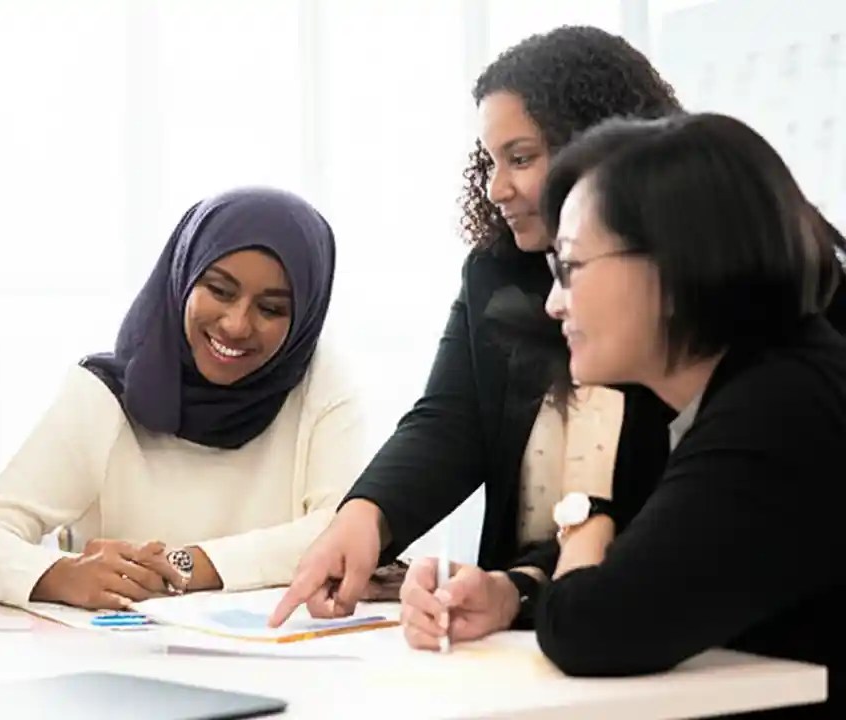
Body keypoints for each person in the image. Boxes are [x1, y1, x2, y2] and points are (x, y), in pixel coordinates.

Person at [403, 113, 842, 717]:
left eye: (570, 267)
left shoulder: (782, 406)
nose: (554, 303)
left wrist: (585, 520)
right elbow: (651, 554)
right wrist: (512, 591)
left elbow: (591, 627)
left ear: (672, 265)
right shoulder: (736, 386)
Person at [272, 26, 687, 627]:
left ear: (598, 149)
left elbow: (659, 506)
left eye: (520, 159)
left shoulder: (674, 290)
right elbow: (449, 419)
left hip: (628, 607)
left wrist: (521, 589)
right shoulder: (495, 270)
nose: (496, 188)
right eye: (489, 161)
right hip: (521, 609)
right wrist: (365, 515)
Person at [0, 187, 365, 610]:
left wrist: (188, 564)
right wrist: (62, 575)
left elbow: (347, 530)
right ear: (183, 276)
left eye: (271, 310)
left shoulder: (319, 384)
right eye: (219, 290)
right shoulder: (104, 396)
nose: (237, 325)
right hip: (117, 663)